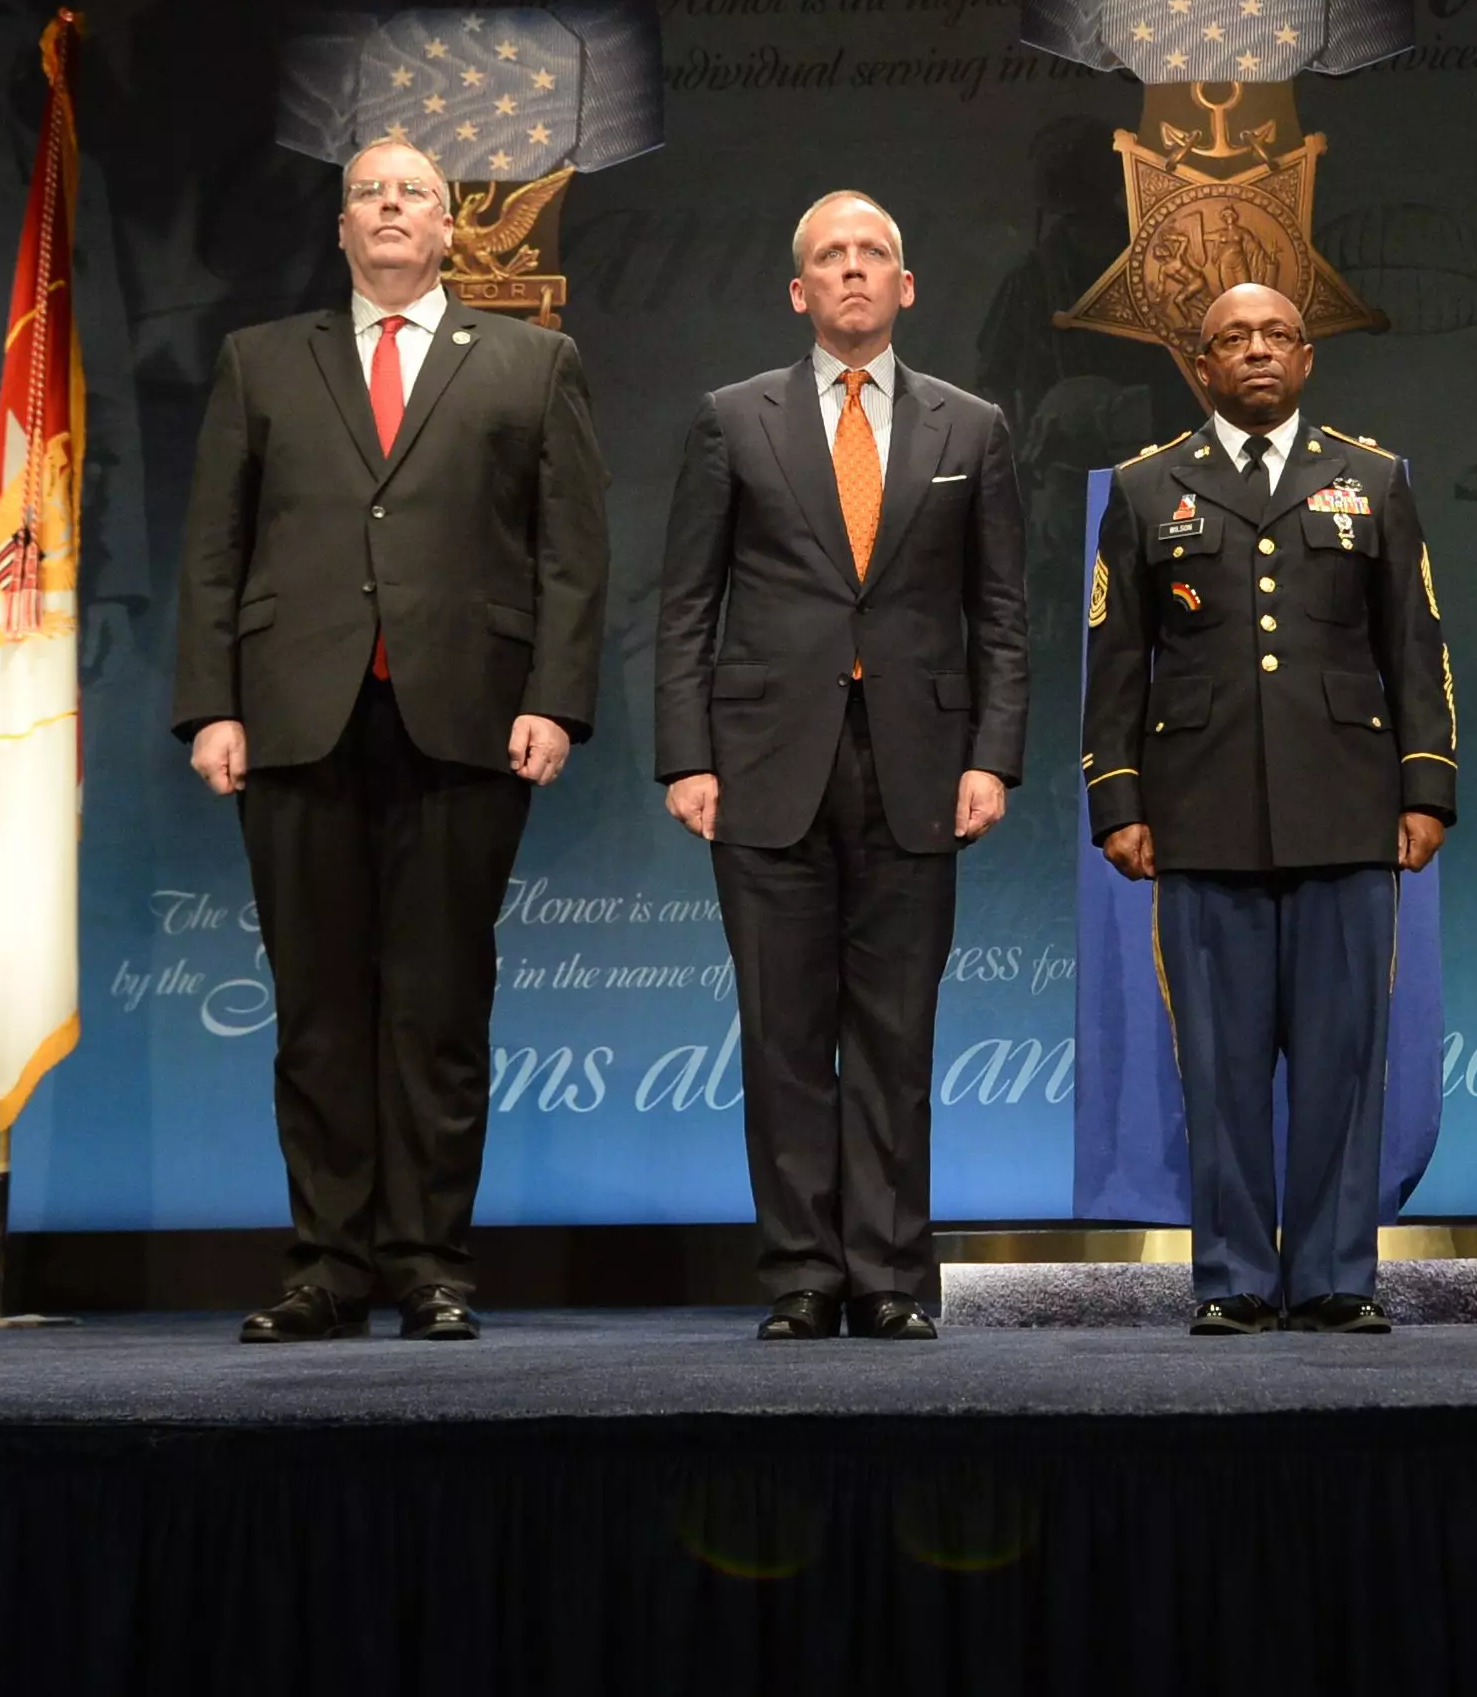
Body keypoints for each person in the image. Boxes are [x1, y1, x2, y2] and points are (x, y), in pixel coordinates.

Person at [174, 136, 608, 1343]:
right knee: (315, 1005)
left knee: (435, 1003)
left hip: (466, 719)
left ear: (447, 224)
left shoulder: (531, 360)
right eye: (367, 192)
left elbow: (571, 551)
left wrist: (552, 697)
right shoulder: (261, 361)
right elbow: (214, 543)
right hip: (294, 723)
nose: (389, 208)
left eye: (412, 191)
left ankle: (428, 1263)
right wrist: (212, 702)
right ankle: (325, 1264)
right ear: (341, 227)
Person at [652, 192, 1027, 1342]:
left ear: (906, 287)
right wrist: (685, 756)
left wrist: (991, 757)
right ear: (798, 291)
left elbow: (1001, 614)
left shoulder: (972, 427)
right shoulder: (732, 418)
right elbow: (686, 606)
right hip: (764, 762)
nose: (853, 270)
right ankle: (802, 1275)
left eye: (873, 255)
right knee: (780, 1031)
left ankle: (889, 1274)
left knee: (894, 1034)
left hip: (918, 764)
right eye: (830, 256)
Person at [1082, 283, 1455, 1336]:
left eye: (1275, 335)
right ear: (1199, 365)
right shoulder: (1150, 485)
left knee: (1342, 1056)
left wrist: (1425, 783)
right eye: (1230, 337)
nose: (1254, 350)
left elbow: (1413, 647)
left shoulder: (1371, 478)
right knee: (1220, 1060)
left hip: (1347, 805)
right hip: (1199, 812)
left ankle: (1336, 1272)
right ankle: (1235, 1274)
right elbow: (1116, 662)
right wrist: (1117, 797)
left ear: (1305, 357)